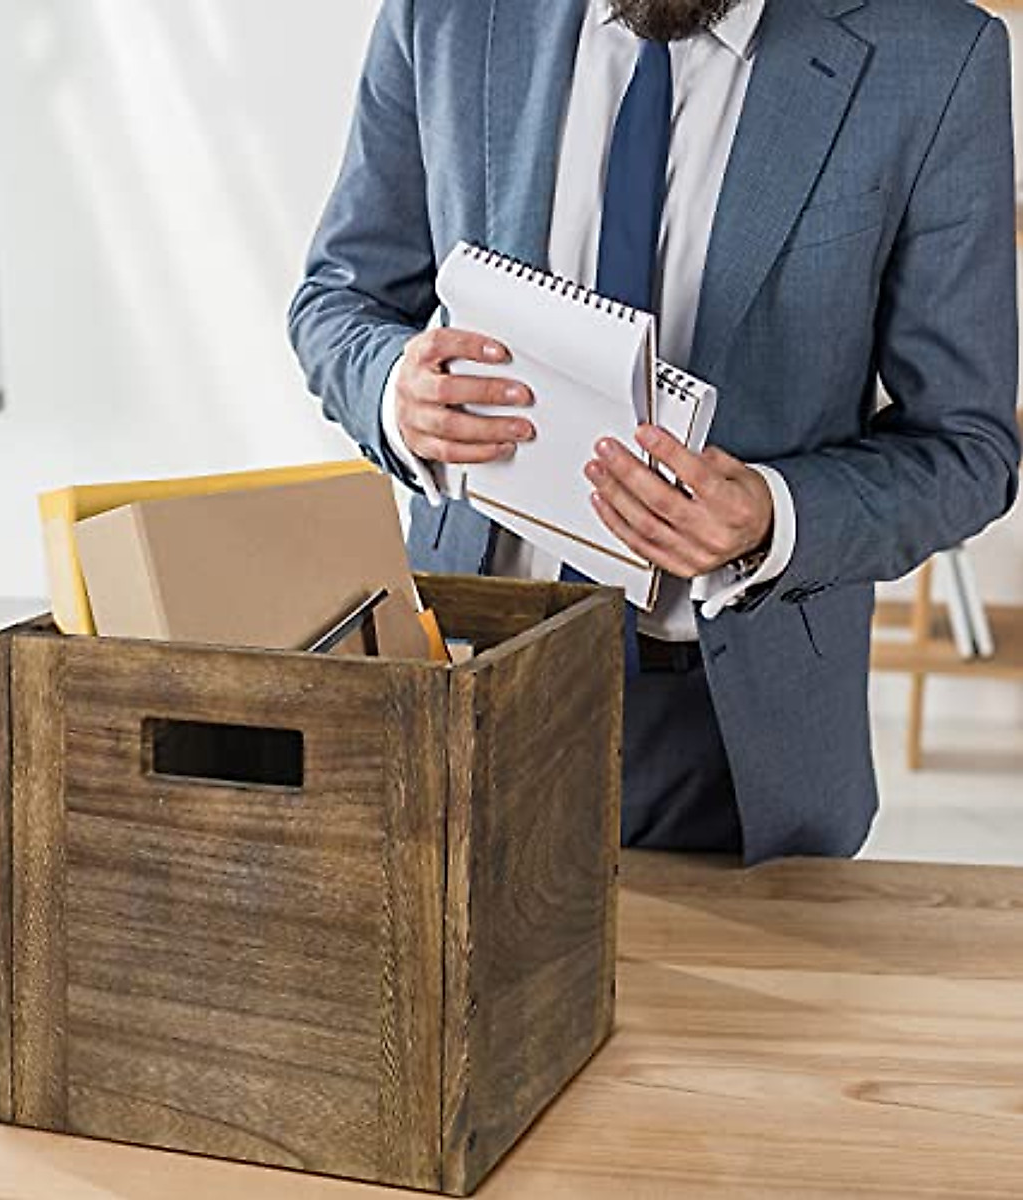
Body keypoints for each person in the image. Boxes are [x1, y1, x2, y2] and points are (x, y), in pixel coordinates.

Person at [288, 0, 1021, 864]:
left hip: (730, 744)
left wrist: (773, 518)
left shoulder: (936, 58)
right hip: (455, 686)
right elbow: (341, 299)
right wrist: (392, 391)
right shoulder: (444, 16)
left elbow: (967, 446)